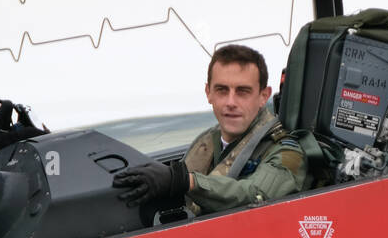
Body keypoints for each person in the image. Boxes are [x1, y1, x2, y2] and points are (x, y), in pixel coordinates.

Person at [113, 44, 307, 214]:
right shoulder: (210, 143)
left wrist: (184, 181)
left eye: (243, 91)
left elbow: (255, 194)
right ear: (209, 93)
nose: (231, 102)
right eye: (222, 90)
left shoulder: (286, 152)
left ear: (263, 96)